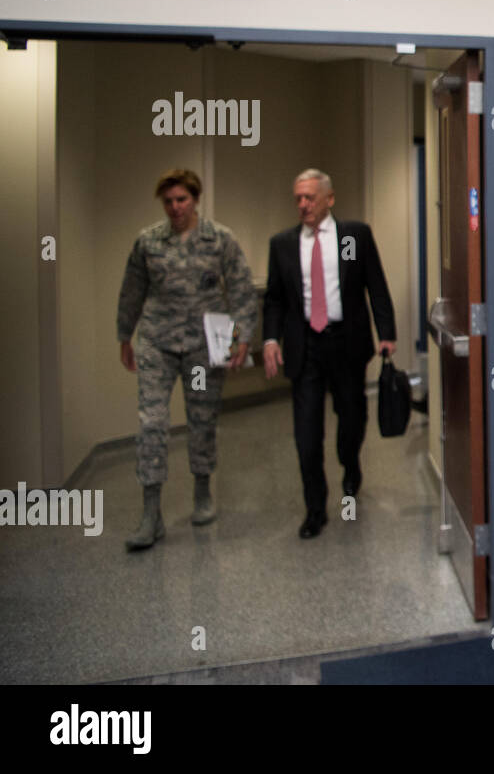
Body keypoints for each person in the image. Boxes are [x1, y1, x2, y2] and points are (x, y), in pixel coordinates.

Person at [116, 169, 258, 550]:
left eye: (181, 200)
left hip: (201, 348)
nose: (175, 208)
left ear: (195, 199)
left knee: (201, 418)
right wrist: (124, 335)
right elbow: (132, 290)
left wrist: (242, 338)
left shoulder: (220, 239)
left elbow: (241, 288)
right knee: (152, 422)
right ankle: (151, 514)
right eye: (168, 202)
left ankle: (202, 490)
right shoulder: (148, 241)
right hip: (157, 345)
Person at [262, 169, 396, 539]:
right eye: (298, 199)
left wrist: (387, 333)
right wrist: (270, 339)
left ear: (329, 199)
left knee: (351, 420)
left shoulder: (354, 235)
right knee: (306, 435)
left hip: (346, 343)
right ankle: (315, 509)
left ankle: (350, 467)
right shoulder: (283, 244)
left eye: (310, 197)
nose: (303, 205)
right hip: (305, 347)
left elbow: (375, 285)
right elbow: (274, 299)